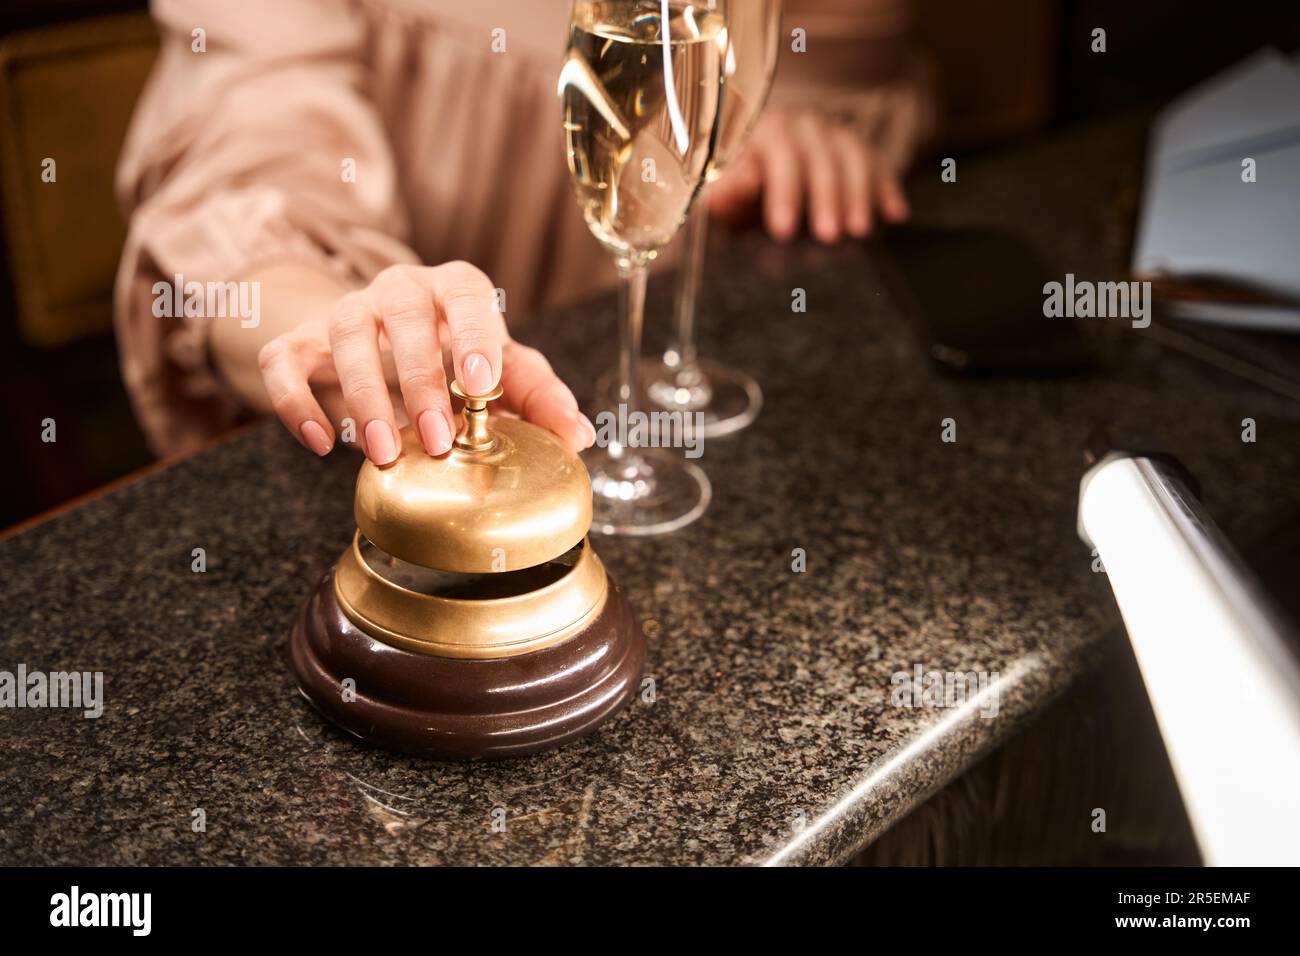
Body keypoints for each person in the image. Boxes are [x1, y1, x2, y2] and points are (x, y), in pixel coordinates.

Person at [115, 0, 933, 465]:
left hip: (701, 422)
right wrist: (345, 327)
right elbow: (246, 164)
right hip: (418, 459)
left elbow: (781, 71)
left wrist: (793, 137)